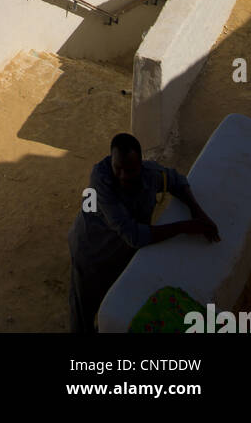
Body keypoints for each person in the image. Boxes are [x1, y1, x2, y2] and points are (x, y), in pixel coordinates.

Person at [68, 132, 219, 334]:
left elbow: (177, 181)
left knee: (117, 297)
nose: (122, 175)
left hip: (121, 253)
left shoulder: (150, 175)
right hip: (90, 252)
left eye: (129, 170)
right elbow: (134, 236)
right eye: (117, 168)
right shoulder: (101, 182)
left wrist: (197, 211)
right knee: (83, 311)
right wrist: (185, 226)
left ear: (140, 164)